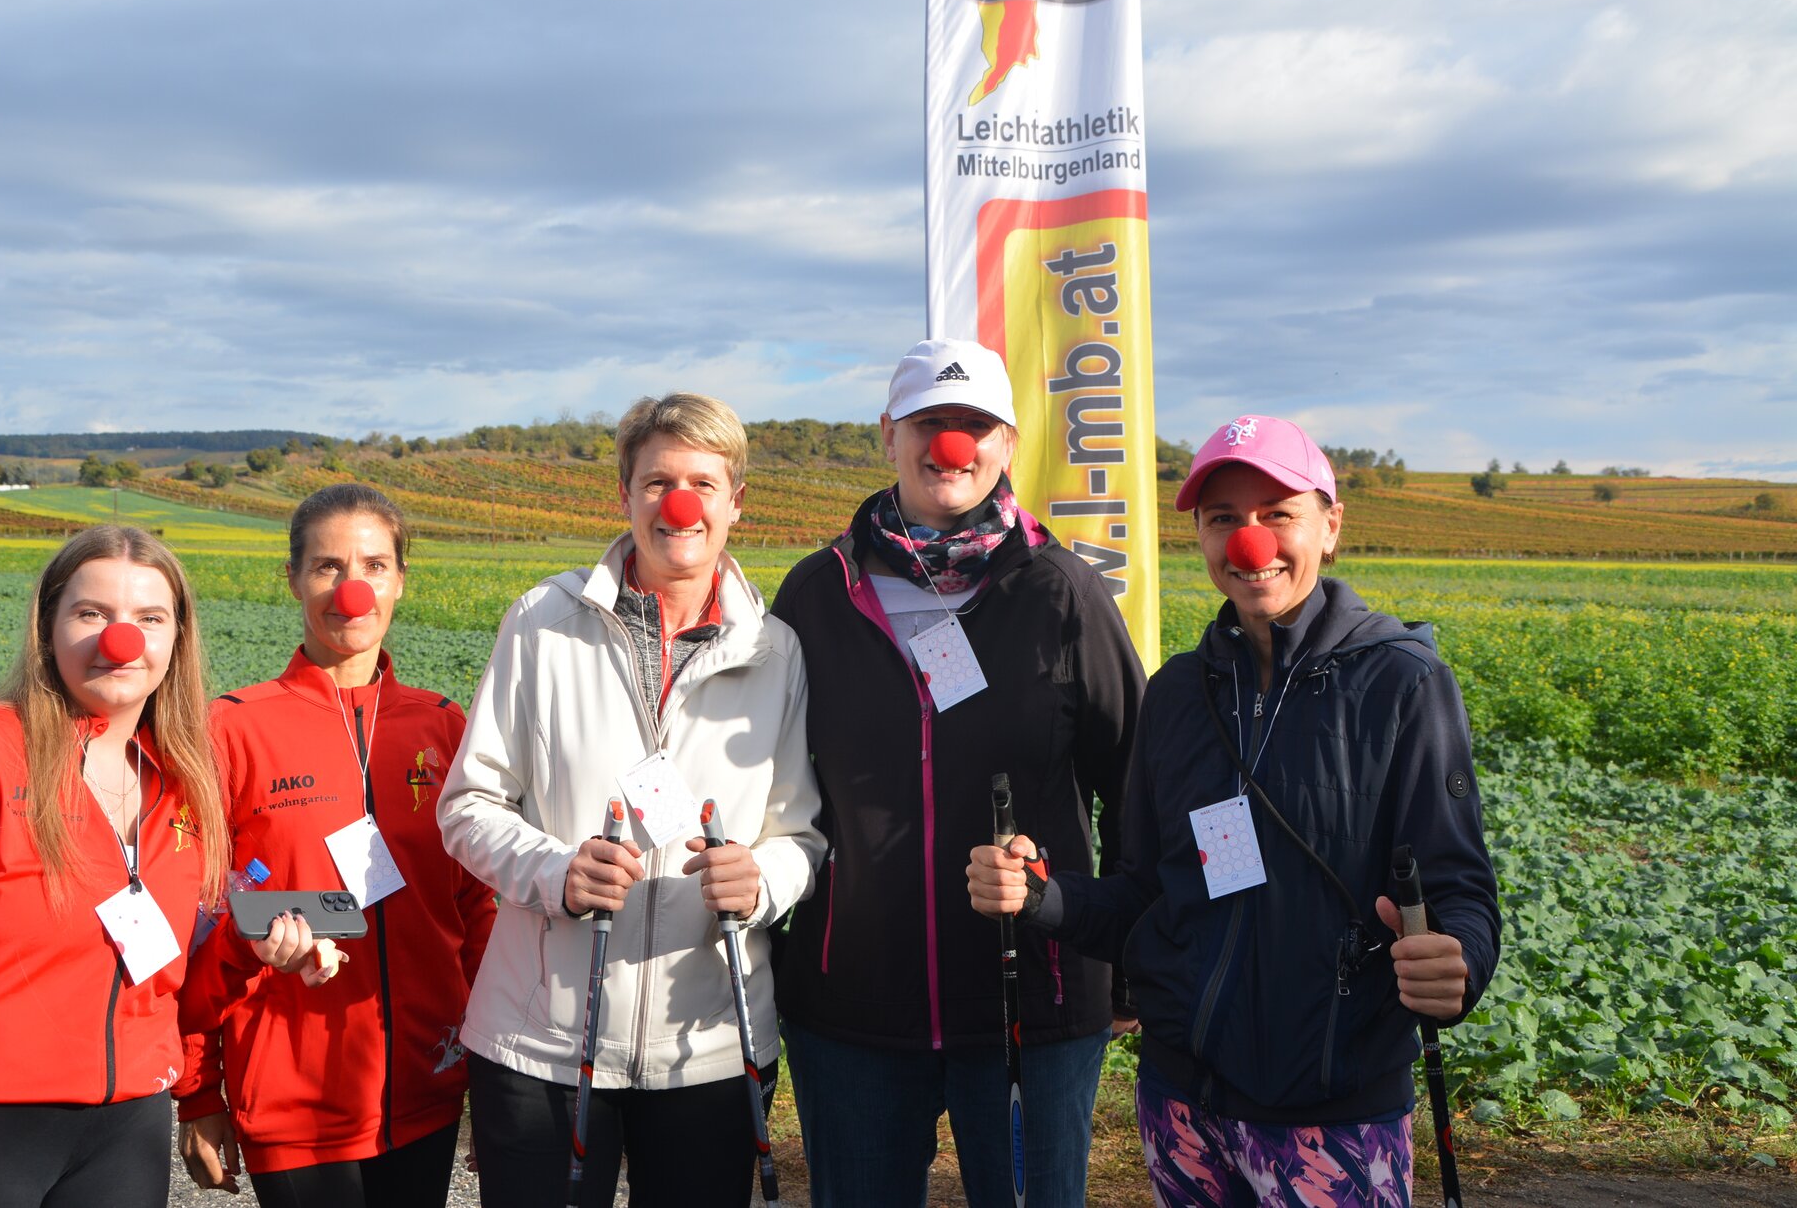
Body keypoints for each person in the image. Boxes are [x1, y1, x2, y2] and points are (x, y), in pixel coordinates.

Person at [969, 414, 1502, 1207]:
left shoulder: (1402, 683)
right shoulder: (1179, 693)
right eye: (1224, 520)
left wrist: (1460, 957)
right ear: (1199, 536)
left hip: (1334, 1112)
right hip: (1183, 1102)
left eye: (1276, 514)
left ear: (1330, 525)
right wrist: (1043, 894)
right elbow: (1148, 891)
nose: (1251, 542)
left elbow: (1459, 886)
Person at [0, 525, 318, 1208]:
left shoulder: (182, 783)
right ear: (47, 625)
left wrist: (252, 949)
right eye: (92, 613)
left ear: (177, 638)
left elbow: (172, 979)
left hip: (124, 1134)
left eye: (149, 617)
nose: (121, 638)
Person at [770, 337, 1146, 1208]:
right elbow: (764, 782)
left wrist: (1124, 958)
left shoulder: (1062, 591)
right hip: (852, 1005)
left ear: (1008, 444)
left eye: (974, 424)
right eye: (930, 423)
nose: (953, 445)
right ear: (888, 436)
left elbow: (1132, 780)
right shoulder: (817, 594)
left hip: (1036, 998)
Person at [439, 392, 824, 1208]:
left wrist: (763, 880)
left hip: (710, 1046)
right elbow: (467, 804)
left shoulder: (775, 650)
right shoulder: (543, 621)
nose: (677, 504)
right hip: (540, 1042)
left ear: (735, 503)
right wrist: (556, 872)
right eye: (656, 482)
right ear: (624, 494)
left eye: (701, 483)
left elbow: (803, 835)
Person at [176, 484, 496, 1207]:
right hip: (293, 1096)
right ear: (292, 578)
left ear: (401, 580)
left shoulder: (444, 727)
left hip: (427, 1086)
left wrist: (490, 1075)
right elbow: (195, 921)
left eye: (374, 566)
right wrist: (198, 1090)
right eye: (327, 566)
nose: (352, 590)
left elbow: (476, 906)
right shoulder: (232, 729)